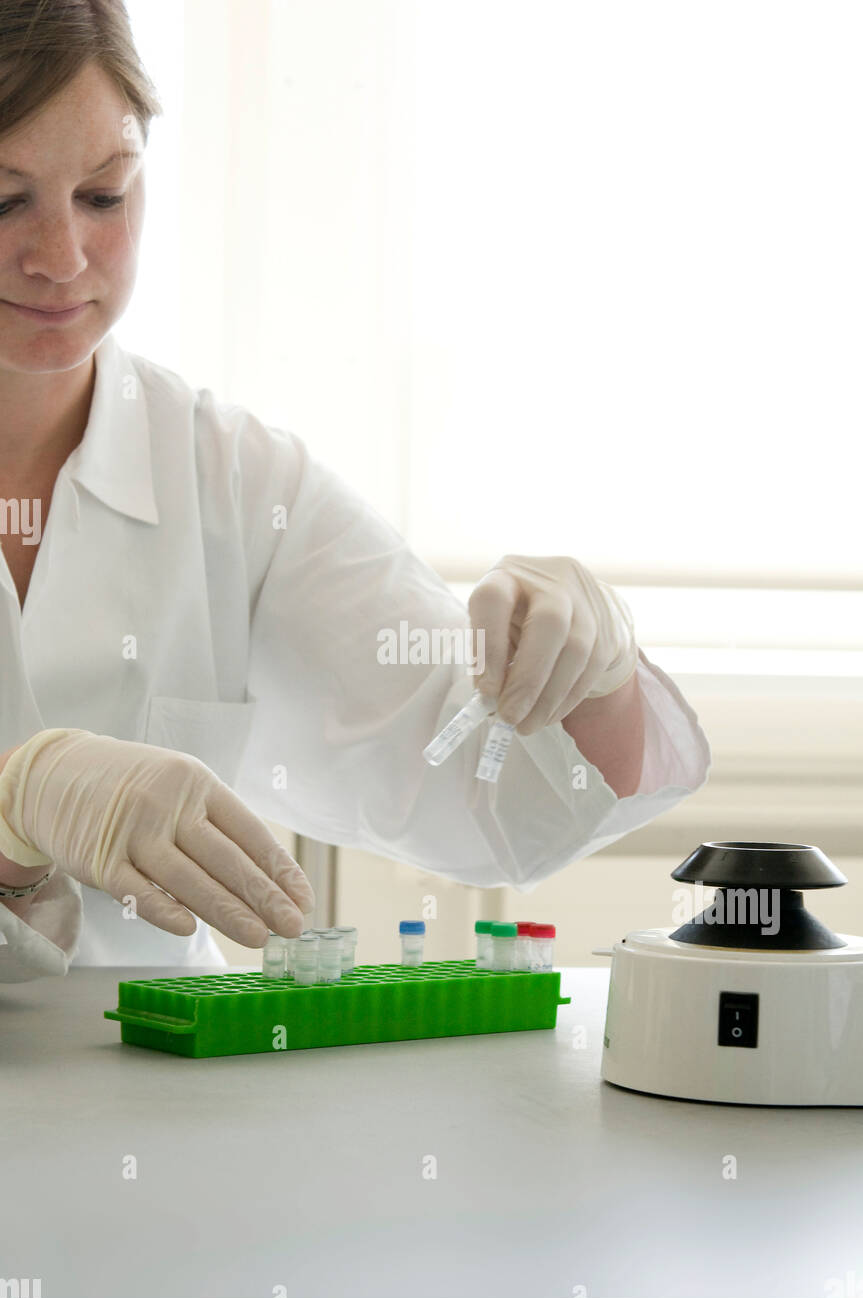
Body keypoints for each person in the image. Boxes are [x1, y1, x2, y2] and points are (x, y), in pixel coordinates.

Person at [0, 0, 709, 983]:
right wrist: (12, 817)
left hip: (164, 1108)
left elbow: (494, 798)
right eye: (5, 201)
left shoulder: (235, 482)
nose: (62, 258)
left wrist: (587, 668)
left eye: (103, 197)